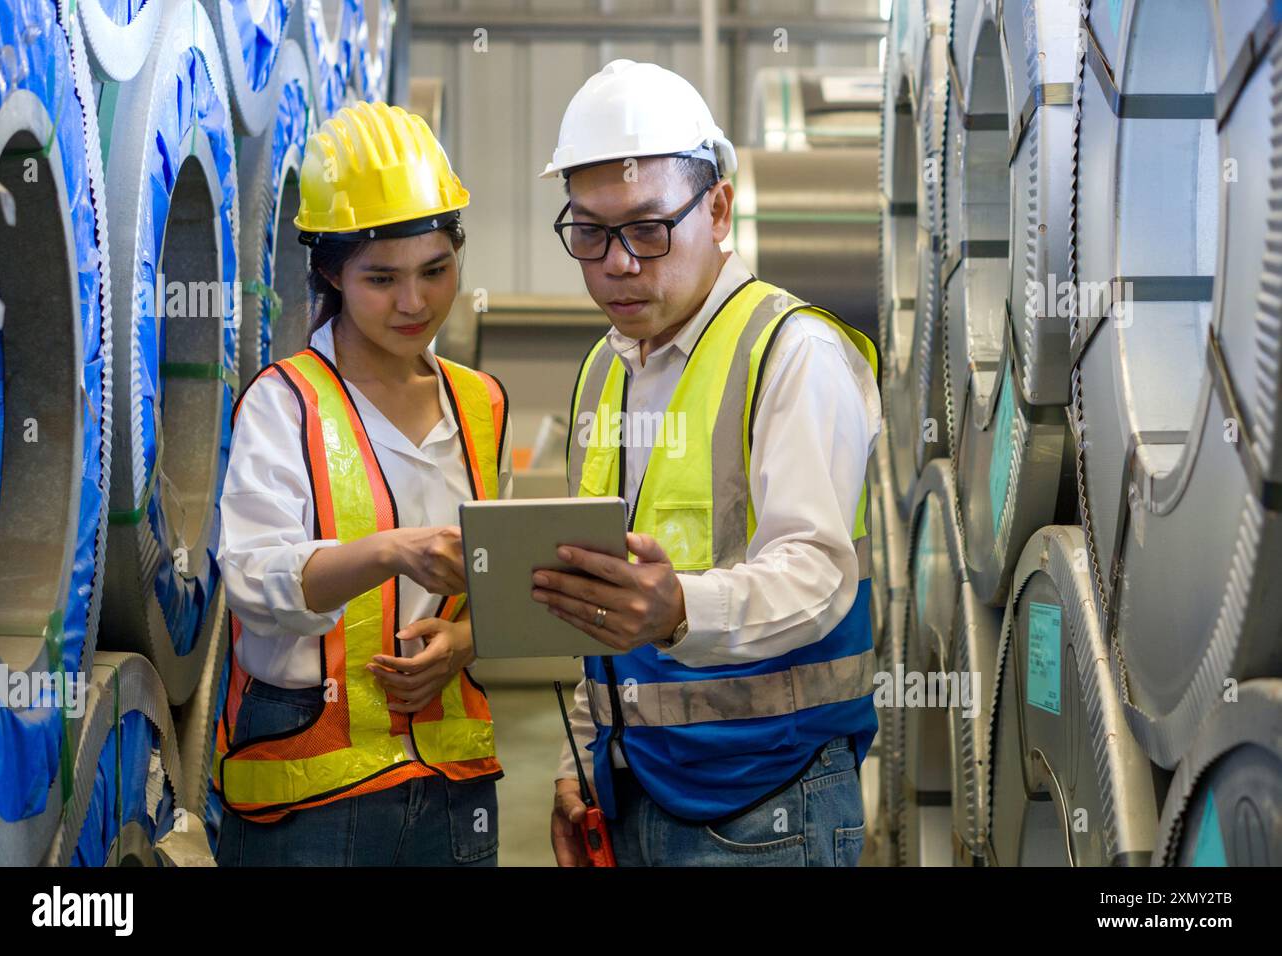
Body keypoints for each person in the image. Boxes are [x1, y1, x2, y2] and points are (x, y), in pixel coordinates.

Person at [533, 60, 883, 867]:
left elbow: (819, 574)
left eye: (648, 230)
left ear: (718, 208)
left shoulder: (792, 354)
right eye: (589, 233)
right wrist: (583, 760)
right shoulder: (605, 371)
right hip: (634, 790)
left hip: (768, 804)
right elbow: (600, 600)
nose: (618, 263)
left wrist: (681, 609)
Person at [213, 102, 509, 866]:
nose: (414, 303)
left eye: (436, 271)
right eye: (382, 278)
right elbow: (253, 578)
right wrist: (388, 551)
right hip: (312, 797)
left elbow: (499, 574)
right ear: (329, 270)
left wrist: (465, 640)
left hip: (453, 787)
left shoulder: (480, 402)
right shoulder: (287, 403)